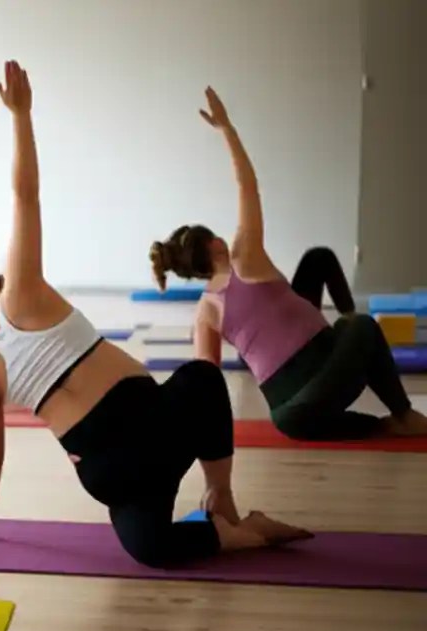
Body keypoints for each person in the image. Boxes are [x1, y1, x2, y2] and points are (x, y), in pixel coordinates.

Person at [0, 61, 311, 568]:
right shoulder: (18, 296)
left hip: (111, 470)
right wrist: (20, 116)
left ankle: (226, 519)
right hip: (147, 434)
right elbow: (25, 197)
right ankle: (227, 513)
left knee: (155, 546)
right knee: (201, 382)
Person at [149, 88, 427, 441]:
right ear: (215, 243)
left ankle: (381, 428)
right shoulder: (243, 256)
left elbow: (207, 382)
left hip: (290, 418)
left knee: (333, 339)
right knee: (361, 327)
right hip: (324, 381)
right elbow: (247, 185)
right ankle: (403, 415)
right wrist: (227, 130)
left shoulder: (204, 312)